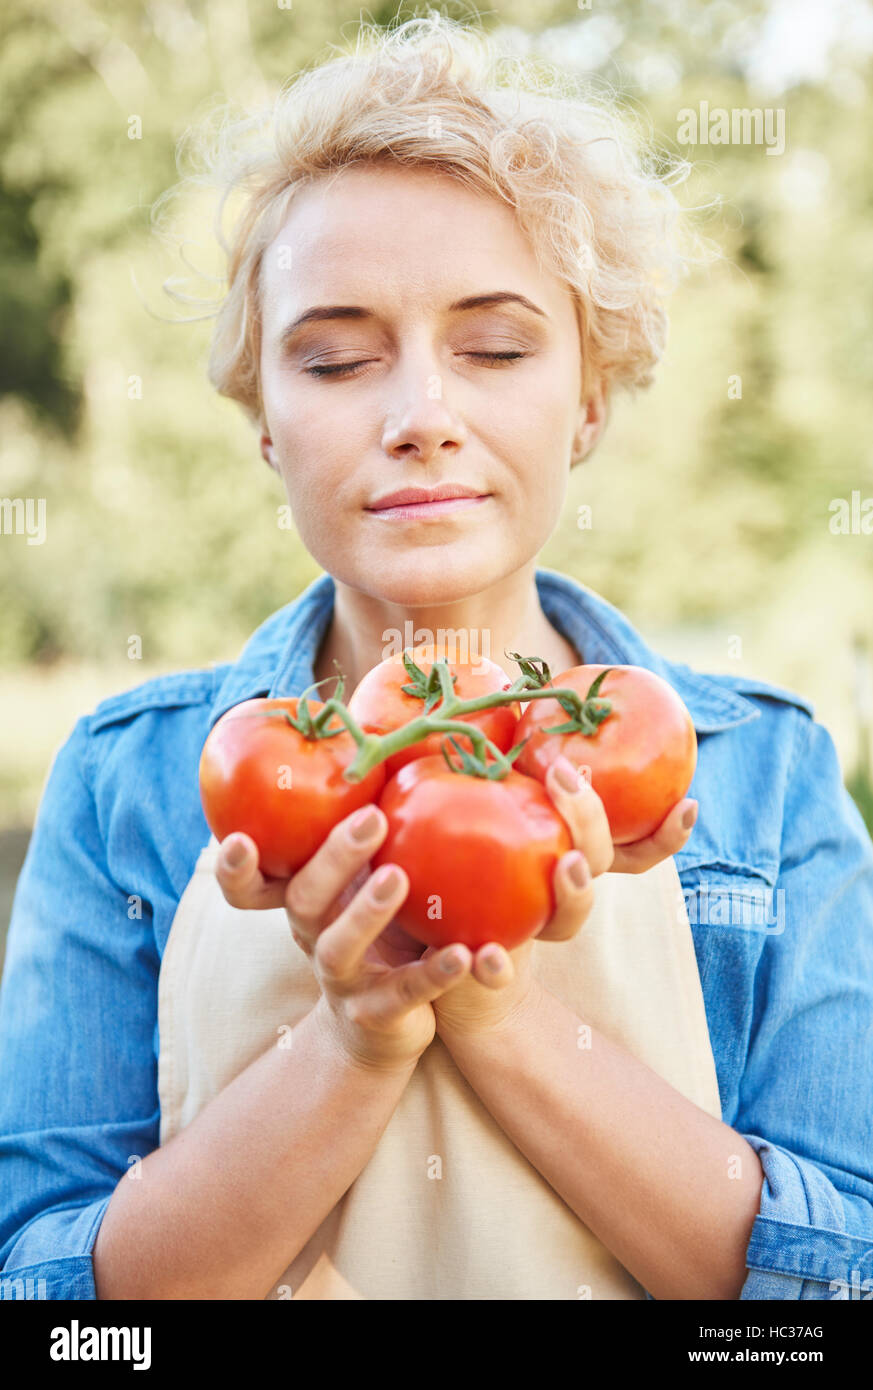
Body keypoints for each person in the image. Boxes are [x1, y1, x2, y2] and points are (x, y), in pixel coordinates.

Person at [1, 12, 872, 1302]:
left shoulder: (769, 773)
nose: (421, 417)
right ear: (264, 421)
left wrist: (492, 1009)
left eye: (498, 347)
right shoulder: (125, 781)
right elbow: (58, 1317)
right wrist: (351, 1043)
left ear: (587, 398)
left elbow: (833, 1297)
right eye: (336, 358)